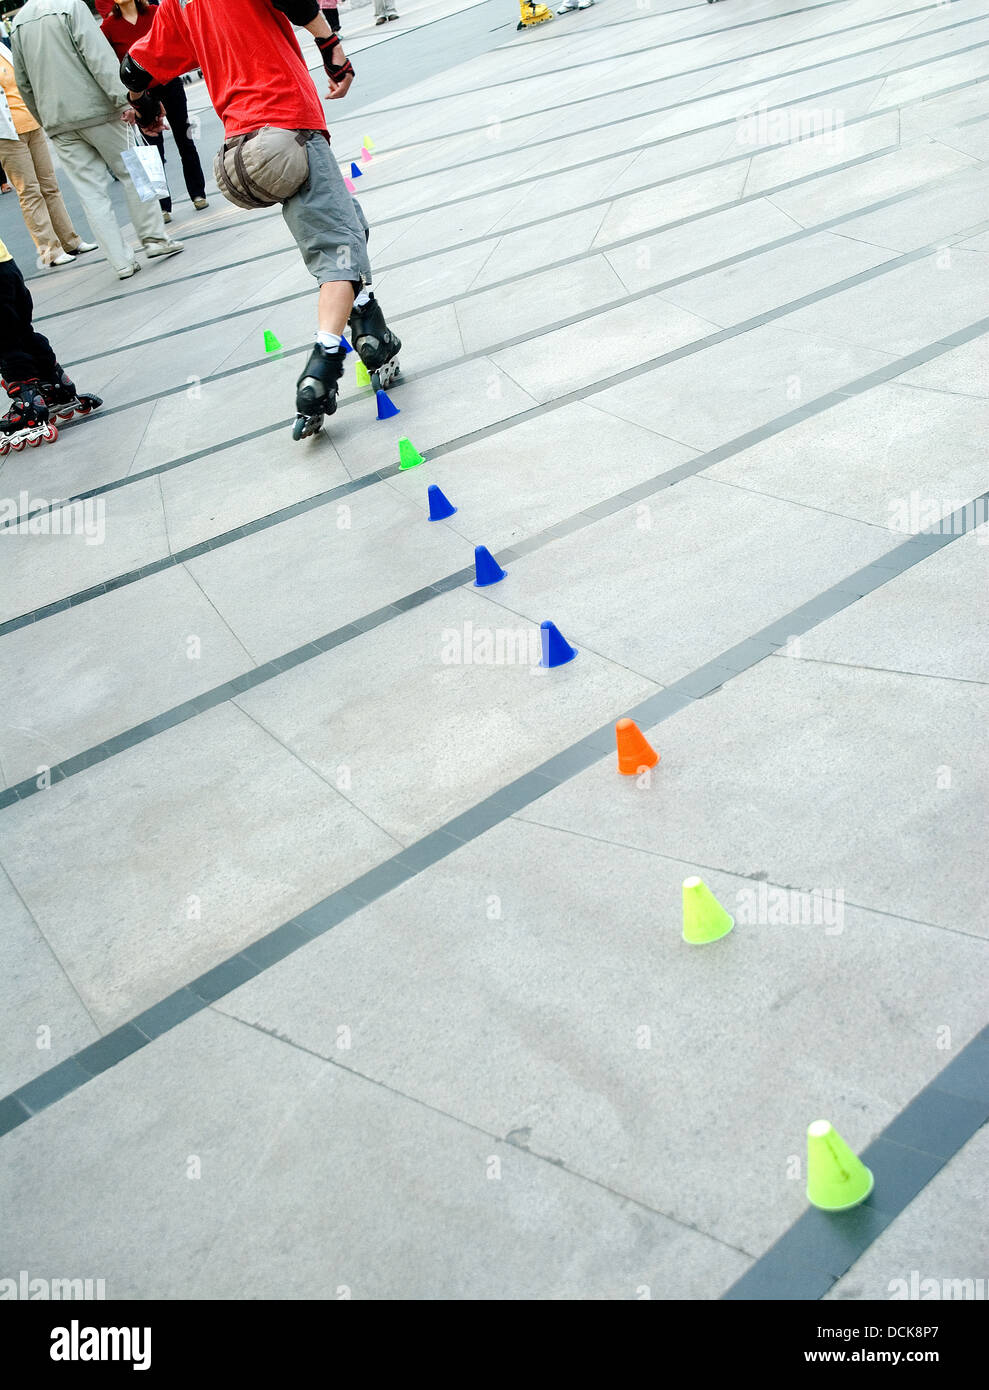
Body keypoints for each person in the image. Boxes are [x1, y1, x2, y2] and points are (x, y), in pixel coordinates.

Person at [122, 0, 401, 437]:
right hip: (289, 129)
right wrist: (331, 45)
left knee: (347, 225)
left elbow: (134, 69)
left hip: (239, 153)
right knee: (338, 253)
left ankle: (371, 330)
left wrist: (144, 106)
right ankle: (321, 369)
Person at [10, 0, 183, 279]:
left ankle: (121, 261)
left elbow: (23, 82)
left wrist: (45, 119)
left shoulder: (18, 23)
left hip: (58, 121)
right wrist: (125, 100)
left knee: (91, 193)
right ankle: (154, 239)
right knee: (135, 171)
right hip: (98, 110)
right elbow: (98, 57)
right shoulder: (71, 6)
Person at [100, 1, 207, 224]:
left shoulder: (156, 12)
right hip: (141, 96)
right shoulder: (108, 27)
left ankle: (198, 193)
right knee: (152, 150)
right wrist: (128, 103)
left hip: (170, 84)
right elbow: (110, 67)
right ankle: (163, 206)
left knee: (185, 139)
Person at [0, 39, 99, 267]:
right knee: (30, 192)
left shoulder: (4, 47)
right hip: (7, 134)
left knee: (50, 186)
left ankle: (70, 241)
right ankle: (50, 252)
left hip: (32, 124)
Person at [0, 235, 102, 453]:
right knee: (23, 332)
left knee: (6, 343)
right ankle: (56, 385)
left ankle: (27, 403)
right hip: (6, 265)